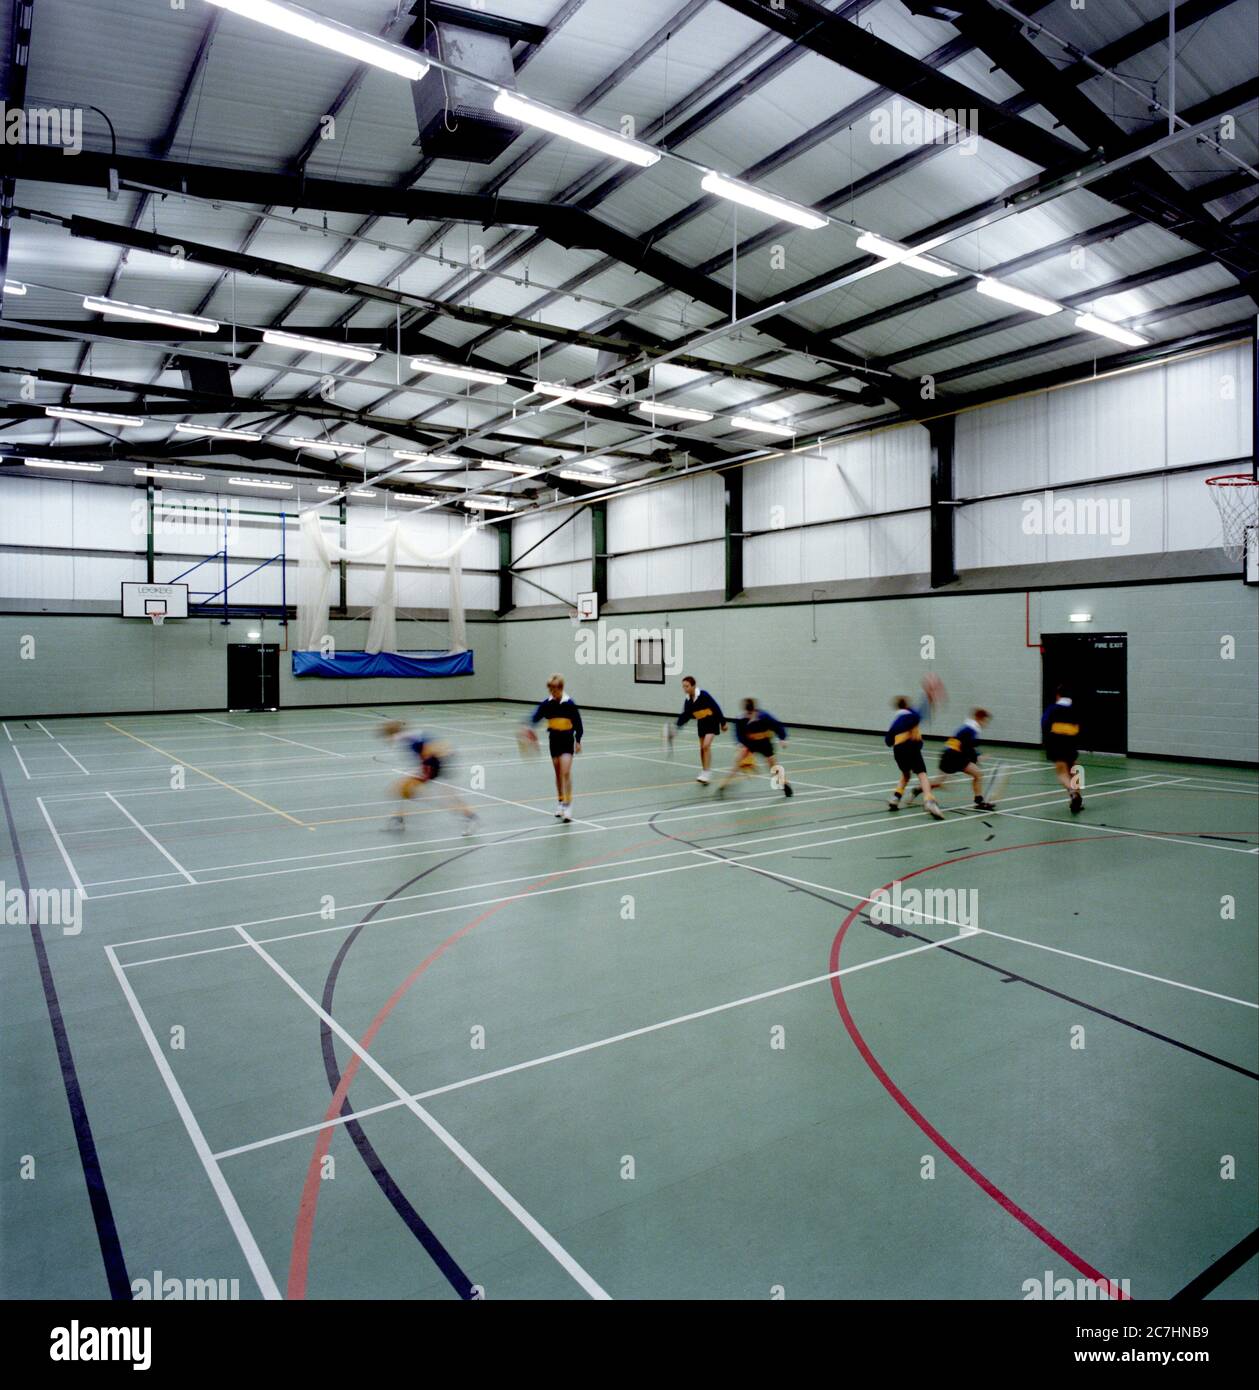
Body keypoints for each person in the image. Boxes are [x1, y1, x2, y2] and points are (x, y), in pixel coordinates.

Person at [379, 719, 478, 835]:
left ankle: (470, 818)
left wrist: (426, 771)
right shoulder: (408, 736)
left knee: (446, 798)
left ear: (391, 734)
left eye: (386, 736)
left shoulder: (406, 738)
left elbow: (429, 750)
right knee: (401, 788)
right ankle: (399, 820)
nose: (386, 739)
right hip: (435, 763)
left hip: (435, 764)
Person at [523, 673, 584, 823]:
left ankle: (568, 806)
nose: (552, 692)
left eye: (554, 689)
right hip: (554, 742)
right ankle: (560, 802)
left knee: (566, 772)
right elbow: (534, 718)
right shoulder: (547, 704)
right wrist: (528, 728)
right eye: (550, 689)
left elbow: (578, 725)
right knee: (558, 774)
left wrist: (578, 741)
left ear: (561, 688)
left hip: (567, 741)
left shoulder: (570, 704)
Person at [885, 678, 945, 820]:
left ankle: (895, 798)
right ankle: (929, 800)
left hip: (898, 751)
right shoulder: (909, 715)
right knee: (922, 774)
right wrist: (928, 694)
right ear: (907, 706)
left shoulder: (895, 722)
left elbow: (888, 741)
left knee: (906, 775)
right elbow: (921, 713)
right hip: (910, 748)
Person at [914, 708, 995, 811]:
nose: (986, 723)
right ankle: (979, 802)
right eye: (985, 720)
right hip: (953, 756)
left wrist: (975, 756)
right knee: (977, 775)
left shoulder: (969, 726)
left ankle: (918, 789)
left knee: (977, 775)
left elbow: (967, 745)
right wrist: (976, 757)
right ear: (979, 718)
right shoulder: (972, 728)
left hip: (950, 755)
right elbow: (967, 746)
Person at [716, 698, 793, 798]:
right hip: (750, 743)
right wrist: (740, 744)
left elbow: (776, 725)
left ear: (754, 709)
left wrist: (782, 738)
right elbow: (739, 734)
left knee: (773, 765)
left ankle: (785, 785)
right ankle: (723, 786)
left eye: (751, 712)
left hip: (764, 742)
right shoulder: (741, 719)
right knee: (738, 763)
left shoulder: (764, 716)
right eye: (748, 713)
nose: (749, 715)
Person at [676, 676, 727, 784]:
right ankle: (704, 771)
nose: (685, 689)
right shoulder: (688, 700)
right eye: (683, 686)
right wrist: (677, 725)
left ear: (693, 686)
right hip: (702, 724)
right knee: (701, 749)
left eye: (687, 686)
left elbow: (716, 707)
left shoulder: (704, 695)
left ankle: (707, 773)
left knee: (706, 746)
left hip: (712, 722)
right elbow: (685, 715)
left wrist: (723, 723)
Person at [1042, 685, 1084, 814]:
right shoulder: (1075, 709)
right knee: (1074, 769)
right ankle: (1078, 797)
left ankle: (1072, 793)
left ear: (1058, 695)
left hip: (1056, 742)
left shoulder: (1053, 709)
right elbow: (1079, 727)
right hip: (1071, 742)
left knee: (1062, 772)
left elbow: (1044, 723)